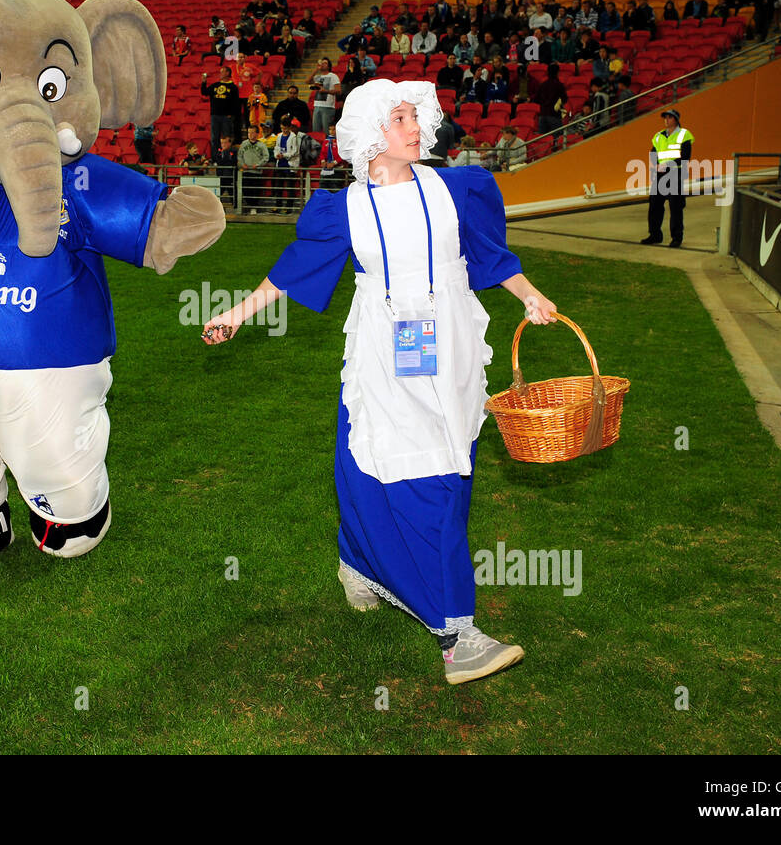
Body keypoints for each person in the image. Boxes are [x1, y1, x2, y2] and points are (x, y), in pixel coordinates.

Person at [201, 79, 557, 685]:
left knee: (446, 465)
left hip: (454, 347)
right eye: (399, 119)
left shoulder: (459, 189)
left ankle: (360, 563)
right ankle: (456, 632)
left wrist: (530, 297)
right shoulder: (342, 208)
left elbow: (491, 258)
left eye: (416, 116)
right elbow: (293, 272)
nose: (415, 127)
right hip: (385, 350)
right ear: (370, 132)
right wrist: (235, 313)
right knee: (416, 474)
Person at [642, 109, 693, 247]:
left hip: (675, 174)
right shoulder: (658, 136)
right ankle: (655, 235)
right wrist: (657, 166)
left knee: (675, 207)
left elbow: (685, 157)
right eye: (665, 117)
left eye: (669, 117)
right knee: (654, 205)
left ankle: (677, 237)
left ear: (676, 120)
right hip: (660, 175)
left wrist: (667, 165)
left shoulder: (684, 135)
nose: (666, 120)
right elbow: (653, 152)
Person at [201, 66, 240, 158]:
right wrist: (203, 82)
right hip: (215, 115)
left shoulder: (233, 87)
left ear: (227, 73)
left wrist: (232, 115)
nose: (220, 73)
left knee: (226, 137)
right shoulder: (215, 85)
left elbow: (236, 103)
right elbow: (204, 92)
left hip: (226, 116)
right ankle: (216, 157)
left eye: (222, 72)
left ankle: (227, 156)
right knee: (214, 138)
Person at [270, 117, 302, 213]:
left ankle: (288, 207)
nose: (284, 130)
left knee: (289, 187)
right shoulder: (279, 136)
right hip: (280, 164)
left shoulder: (293, 137)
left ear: (289, 128)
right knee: (278, 186)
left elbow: (295, 151)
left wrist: (284, 155)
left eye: (285, 128)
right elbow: (276, 147)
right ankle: (278, 205)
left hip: (290, 164)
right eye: (282, 128)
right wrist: (277, 155)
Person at [308, 58, 341, 133]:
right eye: (321, 63)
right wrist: (316, 69)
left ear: (329, 66)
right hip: (317, 106)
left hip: (328, 107)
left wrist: (325, 91)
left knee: (327, 131)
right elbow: (307, 81)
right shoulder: (318, 76)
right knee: (315, 131)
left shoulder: (333, 76)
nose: (322, 64)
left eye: (325, 63)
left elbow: (339, 91)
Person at [212, 134, 238, 205]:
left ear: (229, 143)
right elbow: (217, 160)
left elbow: (231, 162)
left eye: (225, 142)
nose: (223, 144)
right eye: (222, 143)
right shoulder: (219, 152)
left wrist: (222, 161)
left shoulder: (233, 151)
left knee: (233, 193)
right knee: (217, 193)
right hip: (221, 176)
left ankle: (235, 207)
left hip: (230, 176)